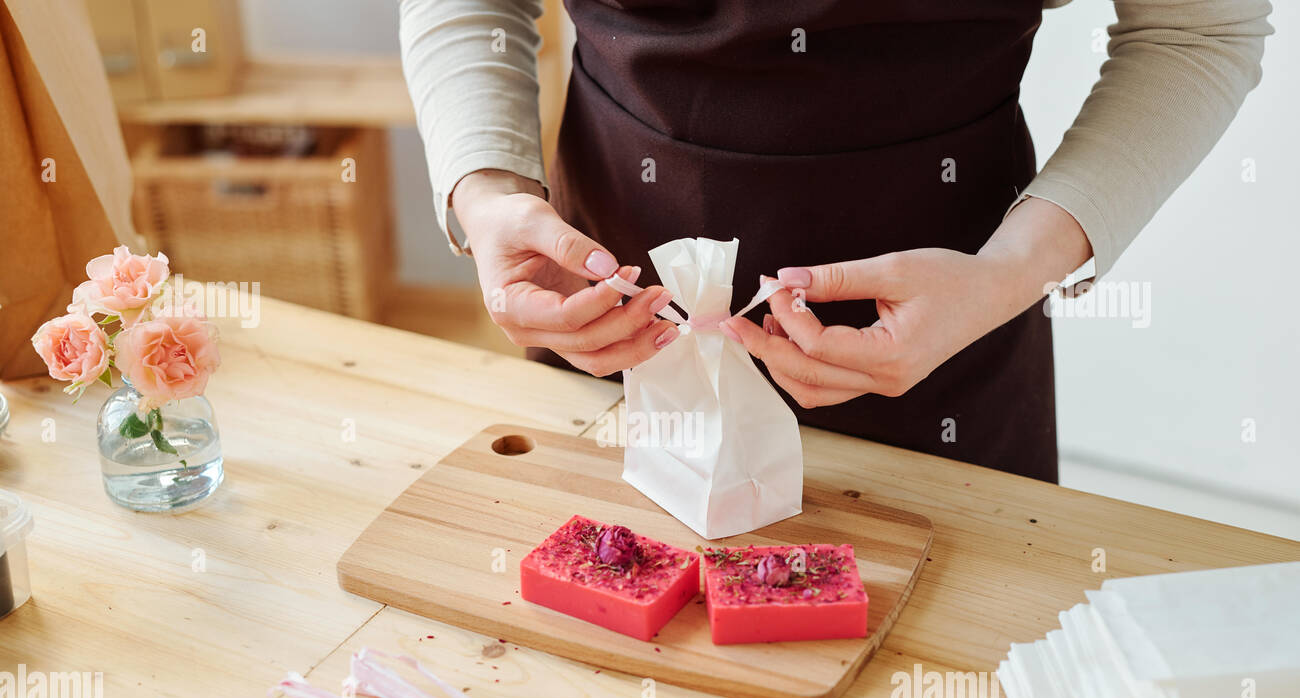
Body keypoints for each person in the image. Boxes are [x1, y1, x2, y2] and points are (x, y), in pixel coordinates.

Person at [399, 0, 1271, 482]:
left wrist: (1011, 272)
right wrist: (486, 190)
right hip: (614, 334)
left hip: (948, 341)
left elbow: (1196, 28)